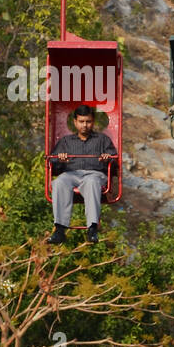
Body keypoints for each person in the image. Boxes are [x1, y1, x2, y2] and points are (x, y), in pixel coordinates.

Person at [47, 105, 118, 245]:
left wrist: (107, 158)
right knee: (59, 182)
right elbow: (52, 163)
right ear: (75, 122)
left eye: (88, 121)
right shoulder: (66, 142)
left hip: (95, 174)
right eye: (81, 121)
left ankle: (92, 228)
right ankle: (59, 229)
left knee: (91, 182)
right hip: (71, 174)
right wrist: (60, 160)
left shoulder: (102, 140)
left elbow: (114, 162)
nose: (84, 125)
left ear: (93, 121)